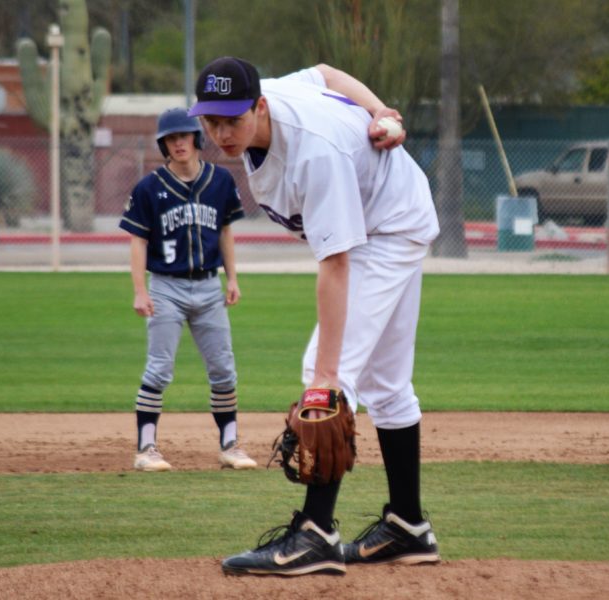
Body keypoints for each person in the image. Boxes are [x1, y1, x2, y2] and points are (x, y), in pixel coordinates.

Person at [188, 57, 441, 576]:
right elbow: (325, 72)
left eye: (232, 120)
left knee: (327, 375)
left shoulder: (314, 153)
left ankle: (316, 534)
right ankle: (408, 527)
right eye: (210, 122)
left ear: (259, 107)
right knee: (387, 384)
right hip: (393, 212)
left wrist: (326, 376)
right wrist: (379, 110)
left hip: (387, 229)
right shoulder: (267, 95)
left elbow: (336, 264)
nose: (221, 133)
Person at [119, 107, 257, 473]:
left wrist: (232, 278)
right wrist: (140, 290)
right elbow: (138, 241)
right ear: (163, 145)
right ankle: (146, 449)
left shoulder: (220, 181)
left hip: (209, 287)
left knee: (224, 369)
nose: (177, 143)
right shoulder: (149, 188)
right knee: (159, 369)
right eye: (170, 138)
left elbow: (225, 231)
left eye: (183, 136)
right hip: (166, 288)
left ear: (196, 139)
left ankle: (230, 445)